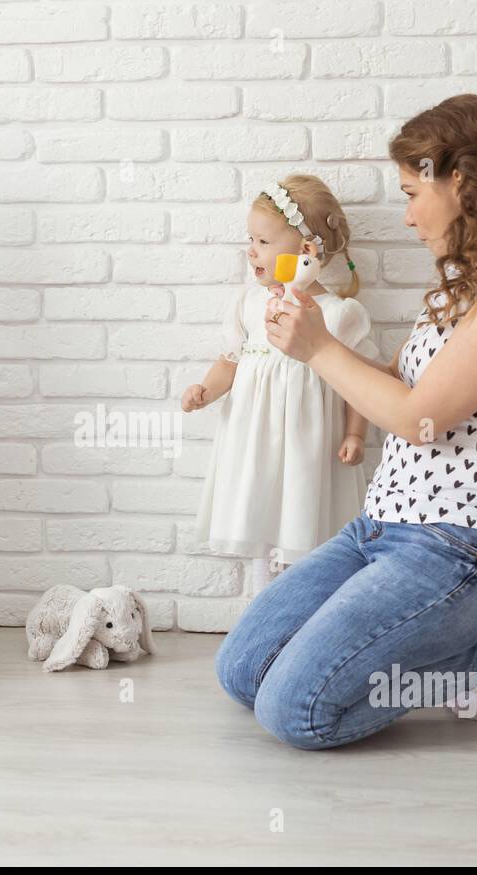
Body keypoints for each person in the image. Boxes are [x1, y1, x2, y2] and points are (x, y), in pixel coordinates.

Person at [215, 94, 477, 746]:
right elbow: (396, 386)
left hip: (463, 547)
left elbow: (419, 420)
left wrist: (321, 348)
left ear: (465, 184)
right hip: (381, 526)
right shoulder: (468, 284)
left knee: (293, 712)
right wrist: (304, 346)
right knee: (241, 669)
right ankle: (426, 646)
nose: (408, 214)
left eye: (415, 192)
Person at [183, 174, 380, 595]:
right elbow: (231, 361)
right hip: (255, 441)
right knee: (262, 521)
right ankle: (261, 608)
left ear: (307, 249)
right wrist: (206, 390)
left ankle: (301, 610)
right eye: (251, 239)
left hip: (308, 443)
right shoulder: (250, 304)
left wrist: (354, 432)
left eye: (263, 242)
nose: (251, 250)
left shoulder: (337, 313)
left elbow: (358, 383)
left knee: (301, 520)